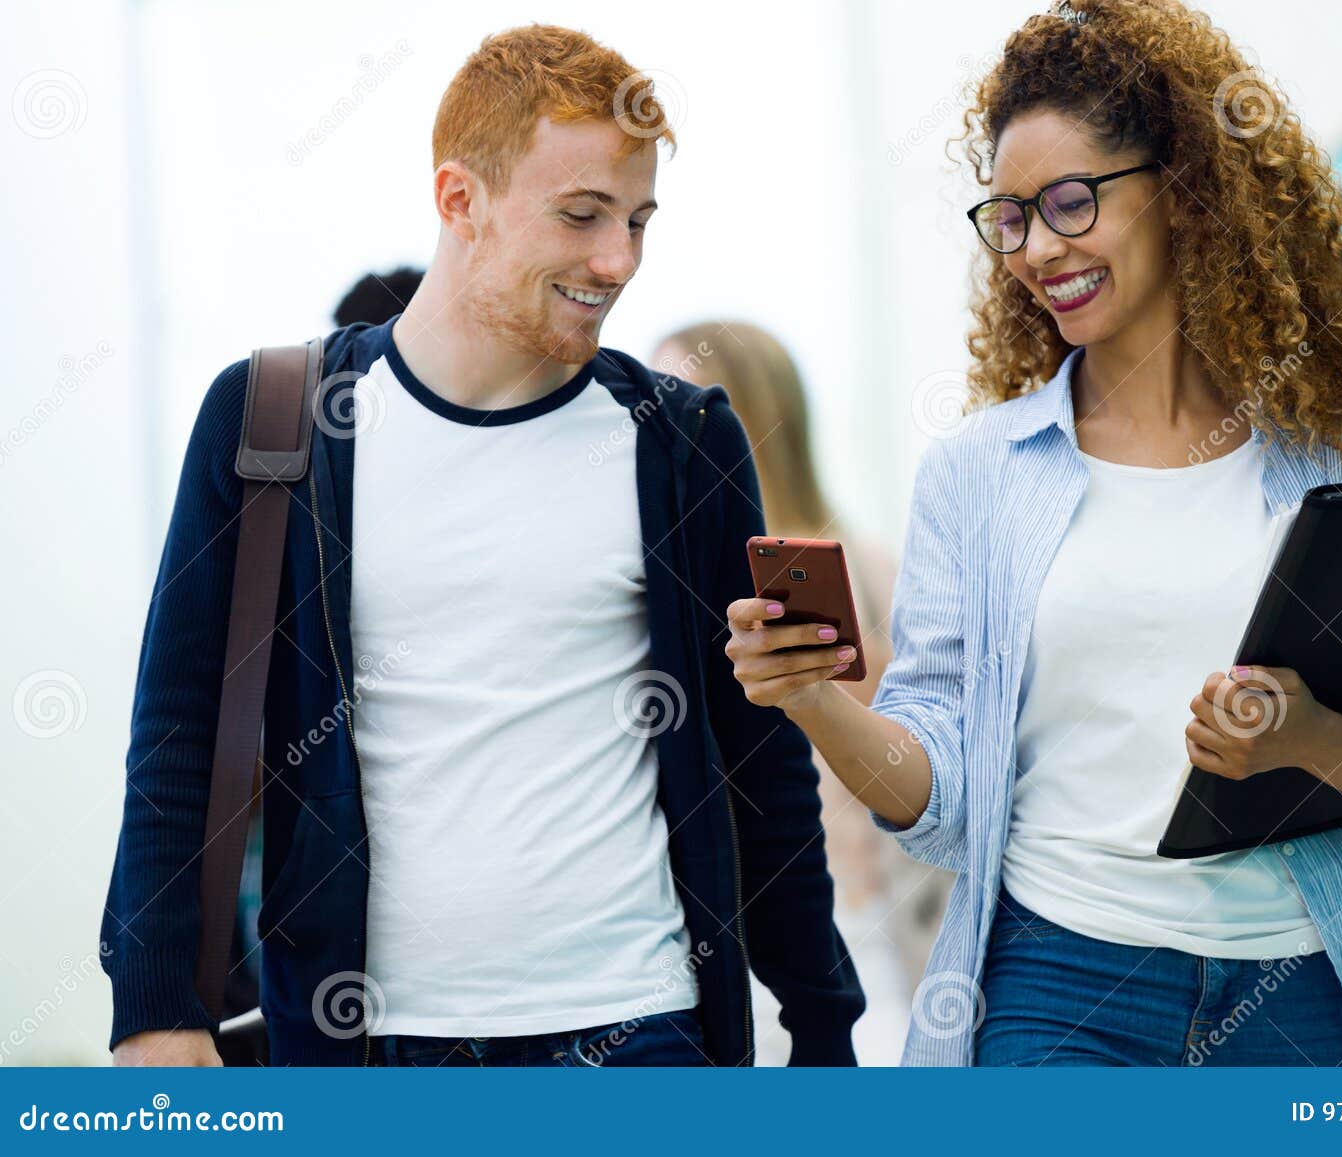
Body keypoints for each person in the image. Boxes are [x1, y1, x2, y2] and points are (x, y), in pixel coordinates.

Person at [724, 0, 1342, 1068]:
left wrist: (1309, 735)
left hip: (1302, 996)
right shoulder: (978, 474)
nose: (1037, 247)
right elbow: (938, 805)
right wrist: (811, 697)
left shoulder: (1337, 459)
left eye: (1070, 202)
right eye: (1010, 217)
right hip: (1058, 988)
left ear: (1180, 189)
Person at [102, 23, 863, 1068]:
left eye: (639, 220)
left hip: (639, 1035)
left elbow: (760, 761)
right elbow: (178, 729)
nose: (619, 260)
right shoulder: (270, 421)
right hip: (366, 1047)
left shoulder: (683, 444)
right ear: (459, 199)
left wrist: (823, 1026)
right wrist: (152, 1003)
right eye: (583, 215)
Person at [653, 322, 952, 1064]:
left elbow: (907, 755)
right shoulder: (667, 579)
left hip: (847, 911)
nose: (662, 423)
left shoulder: (864, 571)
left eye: (683, 398)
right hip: (706, 916)